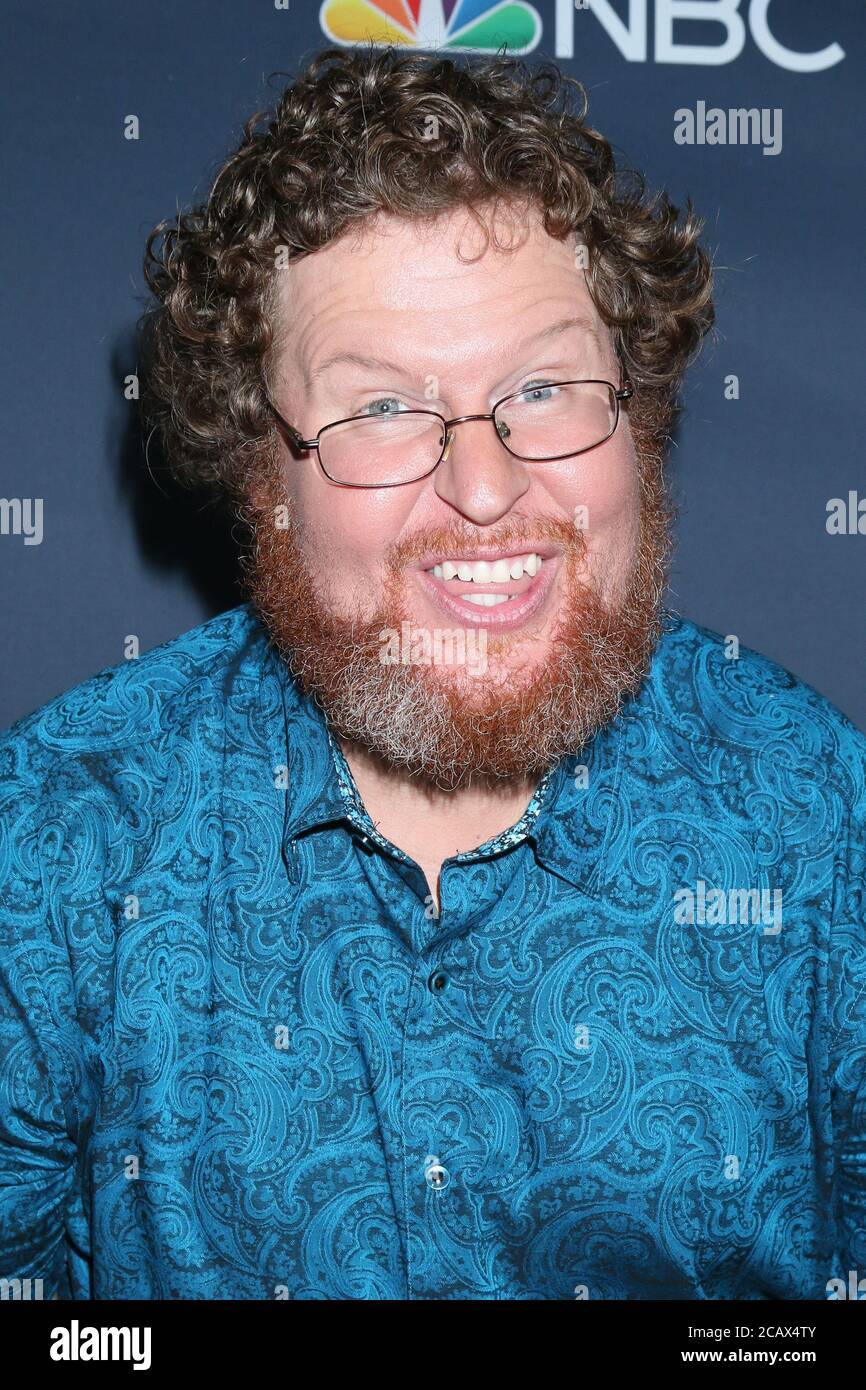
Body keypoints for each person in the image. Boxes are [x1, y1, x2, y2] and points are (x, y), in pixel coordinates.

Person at [1, 45, 863, 1302]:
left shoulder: (824, 827)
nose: (483, 488)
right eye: (381, 411)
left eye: (545, 386)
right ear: (264, 473)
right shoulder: (57, 839)